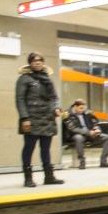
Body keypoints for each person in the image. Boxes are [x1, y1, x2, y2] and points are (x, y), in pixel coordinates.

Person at [15, 52, 65, 187]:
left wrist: (56, 107)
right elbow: (20, 99)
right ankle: (28, 178)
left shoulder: (47, 78)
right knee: (29, 148)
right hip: (31, 118)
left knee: (46, 148)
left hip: (47, 118)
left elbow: (54, 97)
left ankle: (49, 176)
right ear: (30, 63)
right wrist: (24, 118)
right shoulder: (24, 79)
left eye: (40, 60)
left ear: (43, 62)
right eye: (34, 60)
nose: (37, 62)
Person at [64, 98, 108, 168]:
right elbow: (72, 128)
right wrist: (88, 132)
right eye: (81, 108)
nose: (83, 110)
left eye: (84, 108)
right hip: (75, 134)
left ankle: (103, 161)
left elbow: (95, 123)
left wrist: (97, 130)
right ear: (75, 106)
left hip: (90, 133)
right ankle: (82, 161)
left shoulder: (88, 112)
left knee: (107, 137)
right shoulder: (67, 114)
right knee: (79, 138)